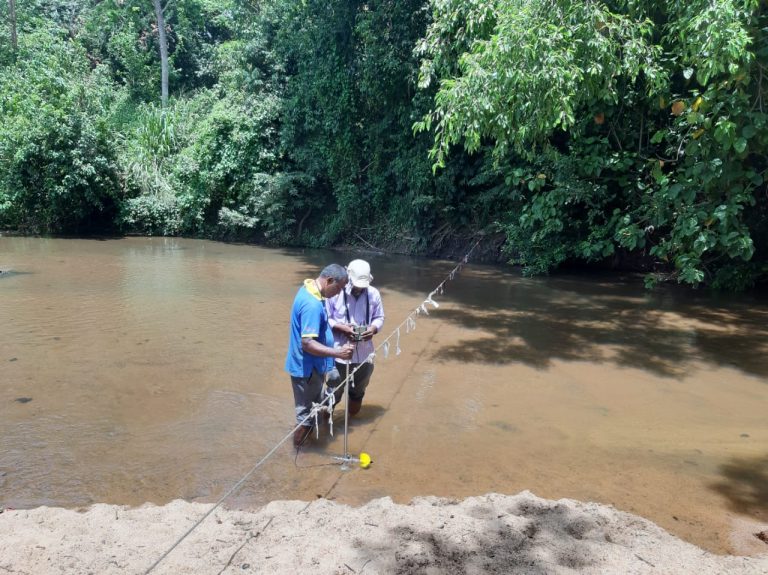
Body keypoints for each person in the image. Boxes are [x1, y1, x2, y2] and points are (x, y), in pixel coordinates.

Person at [285, 264, 354, 448]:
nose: (338, 293)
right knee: (306, 417)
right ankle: (298, 452)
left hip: (311, 368)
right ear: (329, 280)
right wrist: (337, 352)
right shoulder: (312, 305)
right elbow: (307, 343)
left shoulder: (310, 290)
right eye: (338, 288)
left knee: (313, 410)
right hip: (305, 369)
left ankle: (308, 445)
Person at [325, 259, 385, 416]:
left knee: (358, 394)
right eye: (356, 284)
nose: (359, 288)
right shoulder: (335, 292)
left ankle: (353, 424)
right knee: (331, 397)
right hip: (338, 355)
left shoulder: (374, 294)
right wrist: (341, 328)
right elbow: (326, 317)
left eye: (362, 286)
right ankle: (323, 427)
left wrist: (373, 329)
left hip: (365, 356)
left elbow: (379, 317)